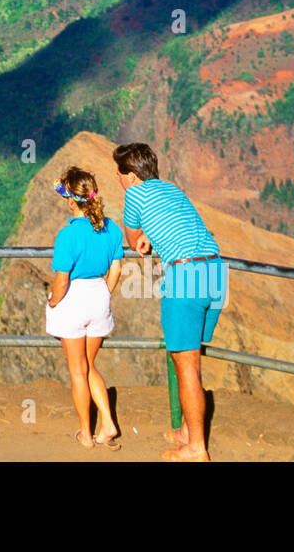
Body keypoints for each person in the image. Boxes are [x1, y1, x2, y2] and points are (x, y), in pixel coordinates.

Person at [113, 142, 227, 462]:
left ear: (132, 176)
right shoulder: (171, 188)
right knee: (188, 359)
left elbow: (134, 239)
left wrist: (140, 240)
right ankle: (188, 432)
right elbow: (171, 223)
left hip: (185, 274)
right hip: (215, 270)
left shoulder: (133, 195)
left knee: (187, 365)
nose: (118, 179)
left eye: (120, 173)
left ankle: (196, 448)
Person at [46, 165, 124, 450]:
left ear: (70, 201)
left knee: (78, 371)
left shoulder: (67, 234)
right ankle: (108, 422)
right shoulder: (111, 228)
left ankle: (86, 434)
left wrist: (52, 302)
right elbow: (116, 270)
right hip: (99, 295)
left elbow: (62, 281)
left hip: (74, 300)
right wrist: (105, 293)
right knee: (90, 366)